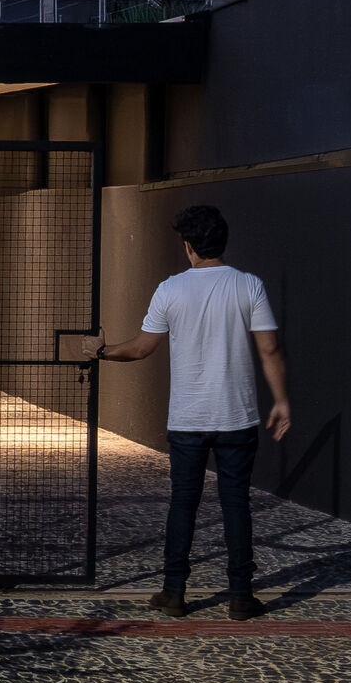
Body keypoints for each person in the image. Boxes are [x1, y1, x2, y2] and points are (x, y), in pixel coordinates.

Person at [93, 203, 291, 620]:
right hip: (237, 417)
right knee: (236, 503)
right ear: (222, 242)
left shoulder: (170, 290)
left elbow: (142, 348)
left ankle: (175, 591)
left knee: (183, 504)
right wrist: (281, 400)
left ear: (188, 246)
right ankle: (240, 595)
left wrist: (102, 352)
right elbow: (269, 348)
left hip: (187, 419)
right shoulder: (249, 285)